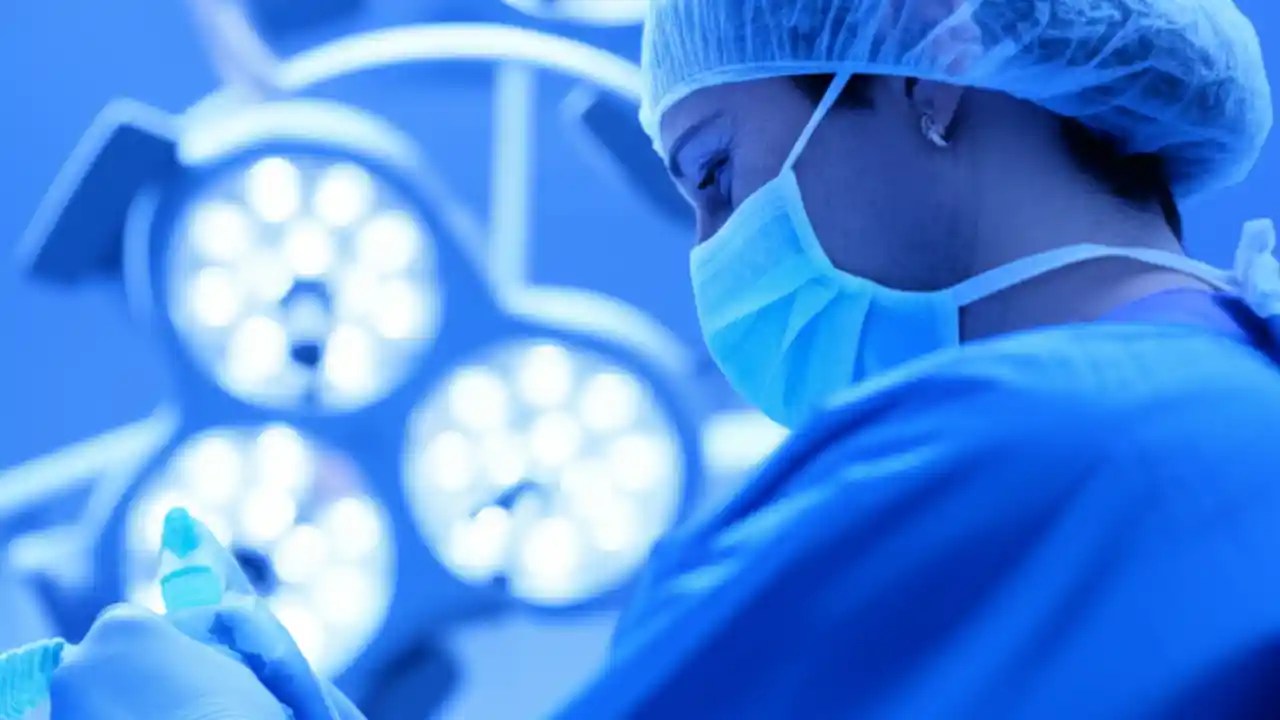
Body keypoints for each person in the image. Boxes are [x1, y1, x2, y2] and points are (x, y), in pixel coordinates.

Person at [43, 0, 1280, 717]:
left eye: (713, 176)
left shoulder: (987, 452)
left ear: (932, 69)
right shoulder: (1223, 408)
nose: (712, 257)